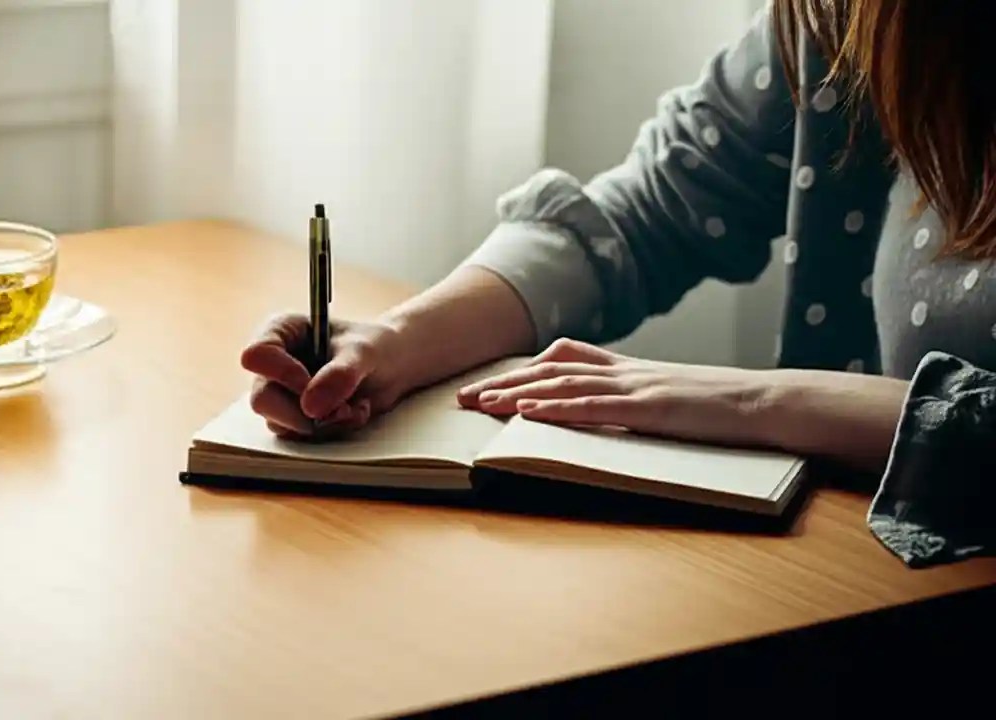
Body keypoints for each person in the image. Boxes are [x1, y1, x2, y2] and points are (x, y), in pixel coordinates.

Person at [239, 0, 995, 568]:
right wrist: (400, 339)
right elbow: (651, 207)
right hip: (850, 577)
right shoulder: (854, 15)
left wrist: (768, 402)